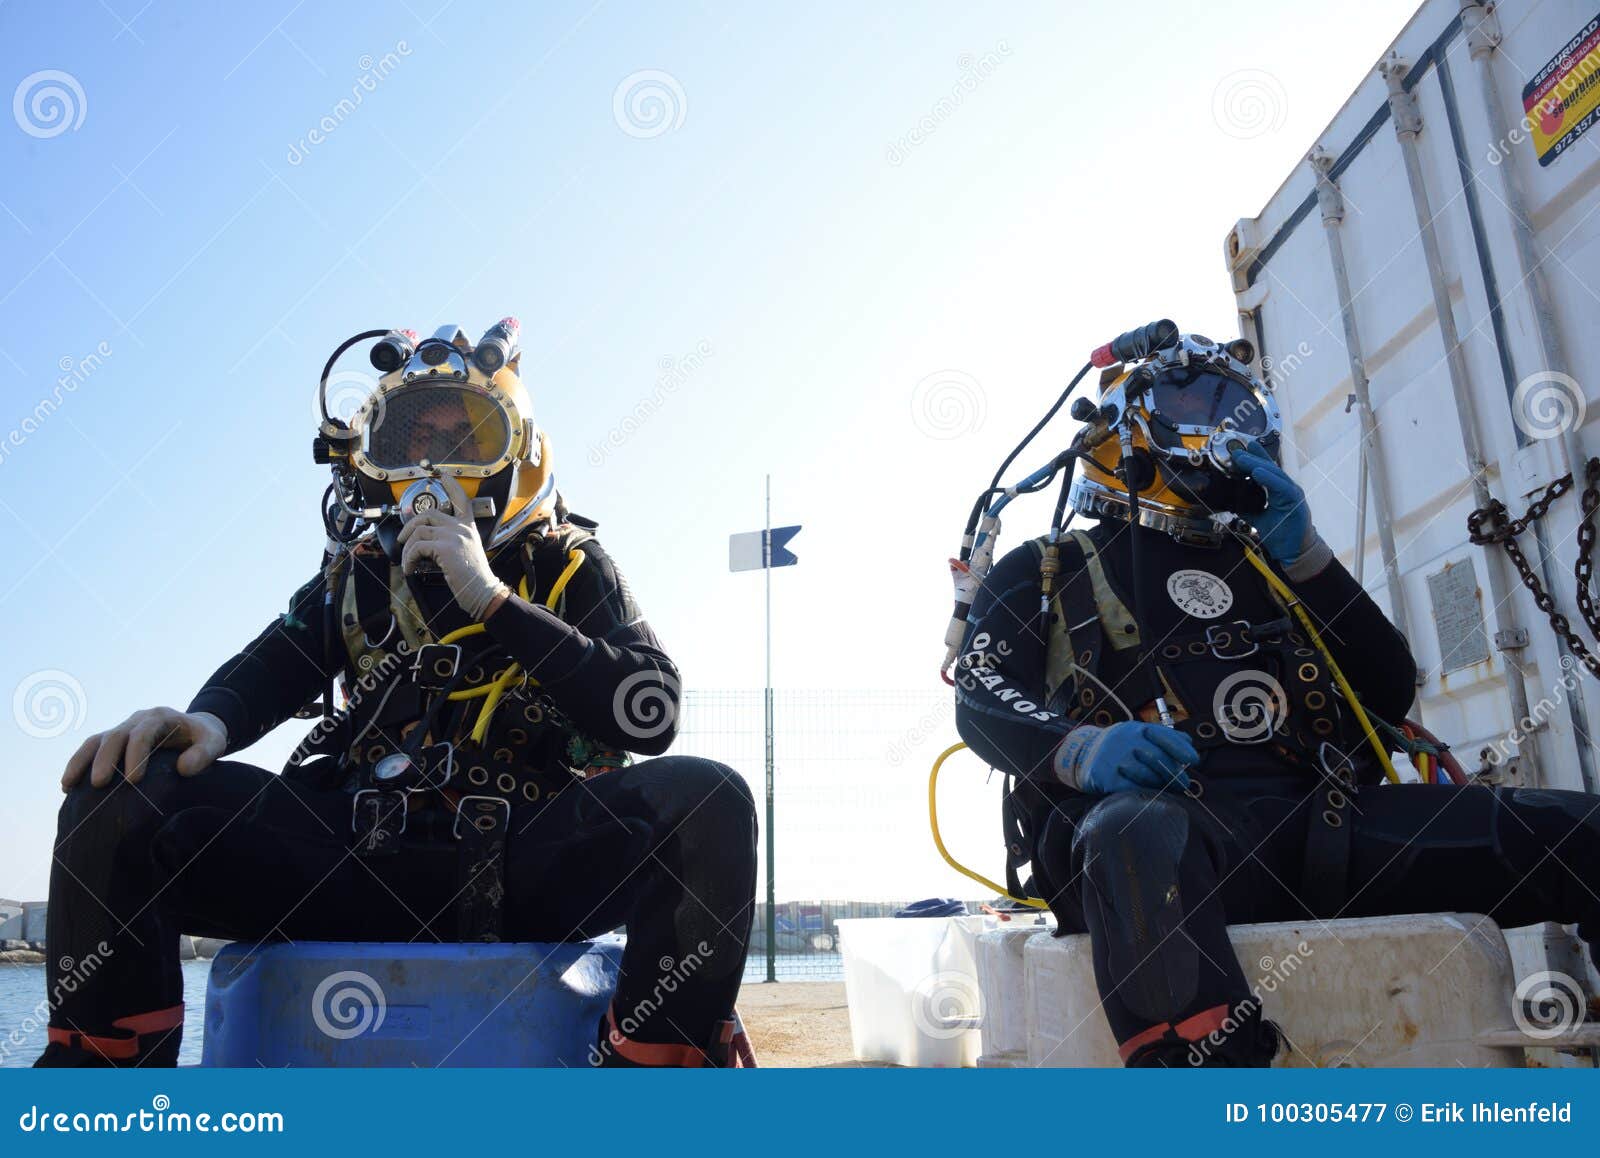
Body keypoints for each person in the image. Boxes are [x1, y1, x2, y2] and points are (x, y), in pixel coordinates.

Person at [39, 321, 757, 1068]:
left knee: (711, 804)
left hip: (527, 866)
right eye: (414, 440)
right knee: (118, 789)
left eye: (467, 436)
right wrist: (201, 723)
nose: (435, 462)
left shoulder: (570, 565)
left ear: (521, 452)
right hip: (354, 860)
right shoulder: (353, 573)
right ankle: (100, 1096)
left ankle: (649, 1095)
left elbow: (653, 712)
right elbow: (267, 668)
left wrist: (492, 601)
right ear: (371, 459)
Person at [954, 329, 1600, 1067]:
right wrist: (1081, 750)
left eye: (1235, 412)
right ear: (1123, 426)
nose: (1216, 430)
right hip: (1146, 849)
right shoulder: (1045, 567)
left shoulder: (1270, 559)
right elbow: (980, 696)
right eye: (1190, 405)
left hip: (1322, 827)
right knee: (1137, 832)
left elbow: (1386, 692)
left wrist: (1308, 560)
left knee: (1584, 833)